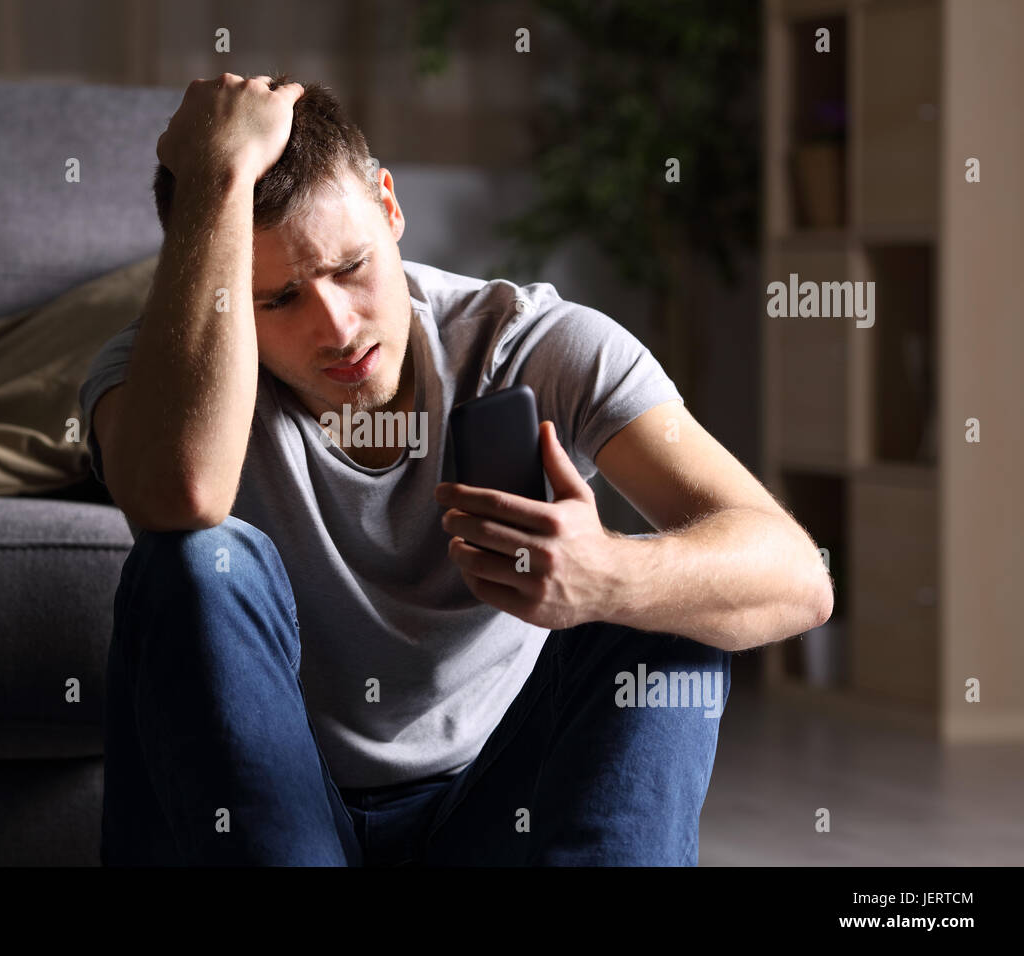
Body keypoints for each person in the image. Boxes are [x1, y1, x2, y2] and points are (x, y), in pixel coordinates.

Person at [80, 72, 833, 866]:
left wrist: (607, 574)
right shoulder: (148, 376)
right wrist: (216, 175)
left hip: (488, 816)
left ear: (392, 207)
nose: (336, 328)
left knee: (670, 601)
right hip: (280, 826)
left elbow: (799, 579)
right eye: (279, 300)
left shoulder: (535, 344)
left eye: (349, 268)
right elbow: (182, 496)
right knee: (195, 559)